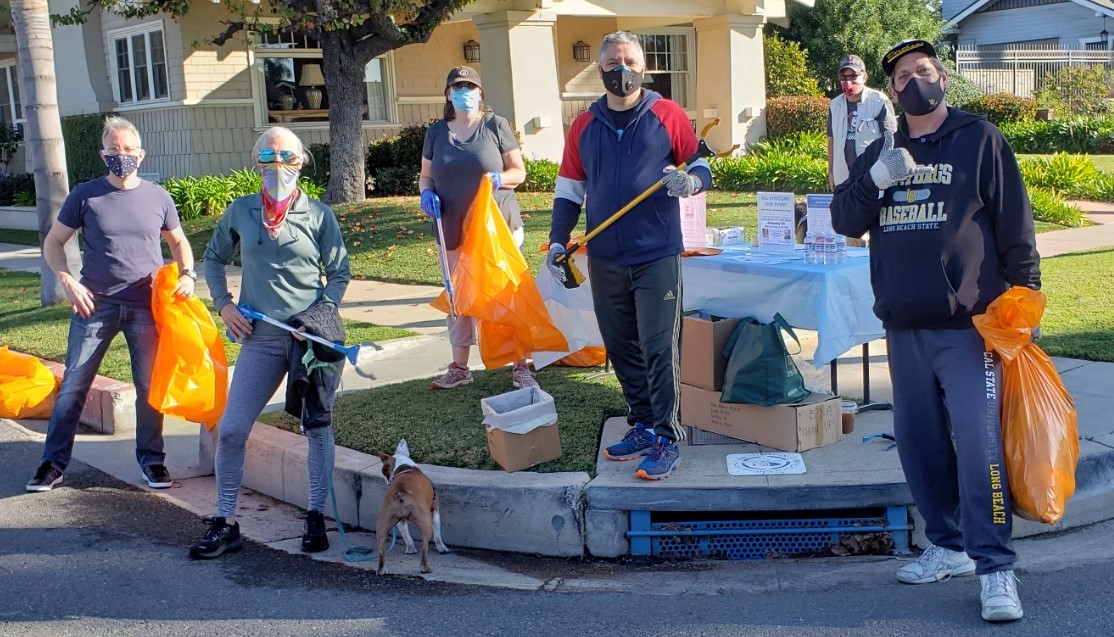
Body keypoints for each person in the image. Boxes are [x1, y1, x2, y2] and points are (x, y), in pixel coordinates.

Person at [830, 39, 1041, 623]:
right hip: (905, 327)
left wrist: (1022, 308)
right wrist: (875, 177)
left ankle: (995, 567)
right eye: (903, 74)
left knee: (978, 449)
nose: (916, 79)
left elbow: (1015, 227)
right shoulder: (883, 146)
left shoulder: (980, 139)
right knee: (921, 448)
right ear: (891, 90)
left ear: (943, 77)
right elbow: (845, 218)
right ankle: (947, 547)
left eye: (925, 69)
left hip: (971, 326)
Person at [545, 31, 712, 481]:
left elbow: (700, 162)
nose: (624, 69)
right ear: (600, 70)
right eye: (614, 61)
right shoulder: (584, 125)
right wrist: (558, 240)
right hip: (605, 257)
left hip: (656, 253)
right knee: (620, 346)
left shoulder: (665, 113)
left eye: (631, 61)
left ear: (644, 68)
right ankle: (641, 422)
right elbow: (568, 191)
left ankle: (666, 436)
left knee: (660, 347)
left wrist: (691, 183)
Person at [189, 126, 351, 559]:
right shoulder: (241, 212)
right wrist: (224, 305)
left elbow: (339, 274)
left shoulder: (320, 215)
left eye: (287, 156)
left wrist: (319, 317)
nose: (277, 164)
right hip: (259, 339)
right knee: (234, 428)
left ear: (300, 163)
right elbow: (213, 258)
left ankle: (316, 515)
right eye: (268, 154)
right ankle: (225, 522)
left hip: (309, 343)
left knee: (316, 428)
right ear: (256, 161)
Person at [25, 116, 195, 493]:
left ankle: (152, 461)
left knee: (149, 386)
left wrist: (188, 275)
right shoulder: (85, 195)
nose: (122, 156)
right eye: (115, 150)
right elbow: (53, 243)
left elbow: (179, 242)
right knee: (73, 384)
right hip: (95, 305)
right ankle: (52, 464)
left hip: (146, 306)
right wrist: (67, 280)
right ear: (104, 154)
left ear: (142, 154)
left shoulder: (158, 196)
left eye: (129, 150)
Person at [418, 65, 535, 391]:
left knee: (504, 293)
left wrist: (500, 179)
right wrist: (426, 191)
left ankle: (520, 365)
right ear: (448, 93)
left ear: (480, 93)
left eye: (470, 87)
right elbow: (426, 174)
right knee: (458, 298)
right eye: (458, 87)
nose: (464, 92)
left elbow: (518, 172)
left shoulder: (496, 126)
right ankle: (459, 367)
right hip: (452, 227)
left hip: (497, 228)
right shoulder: (437, 133)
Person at [827, 54, 897, 191]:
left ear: (864, 77)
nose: (848, 82)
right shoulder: (834, 105)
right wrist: (831, 173)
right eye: (844, 77)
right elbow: (832, 140)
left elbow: (892, 140)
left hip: (872, 180)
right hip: (843, 181)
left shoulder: (879, 101)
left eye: (853, 76)